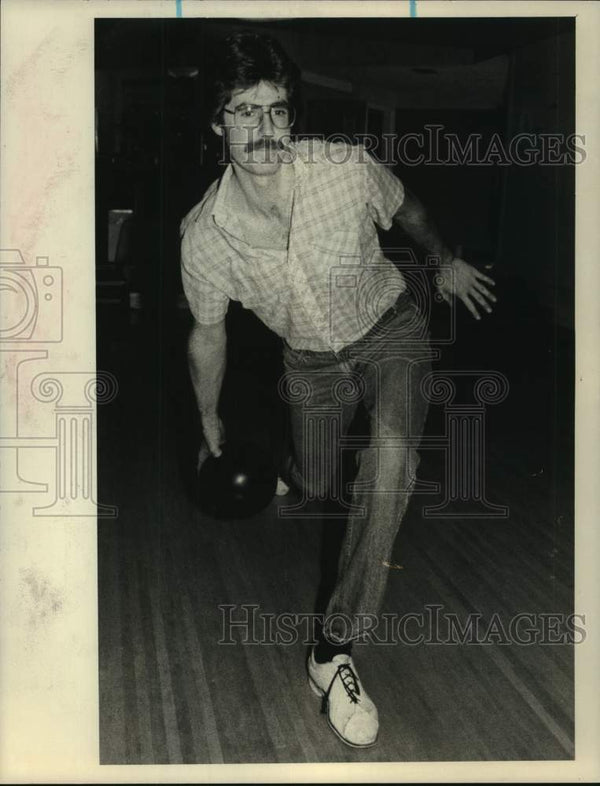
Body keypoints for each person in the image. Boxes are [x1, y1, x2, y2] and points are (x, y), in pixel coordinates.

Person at [180, 31, 496, 748]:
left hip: (390, 331)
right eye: (243, 111)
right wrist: (207, 419)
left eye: (277, 109)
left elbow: (408, 207)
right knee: (319, 475)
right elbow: (208, 333)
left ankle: (333, 652)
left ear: (292, 114)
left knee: (391, 461)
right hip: (310, 361)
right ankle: (295, 472)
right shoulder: (203, 239)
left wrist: (441, 259)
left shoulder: (346, 169)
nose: (264, 128)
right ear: (216, 122)